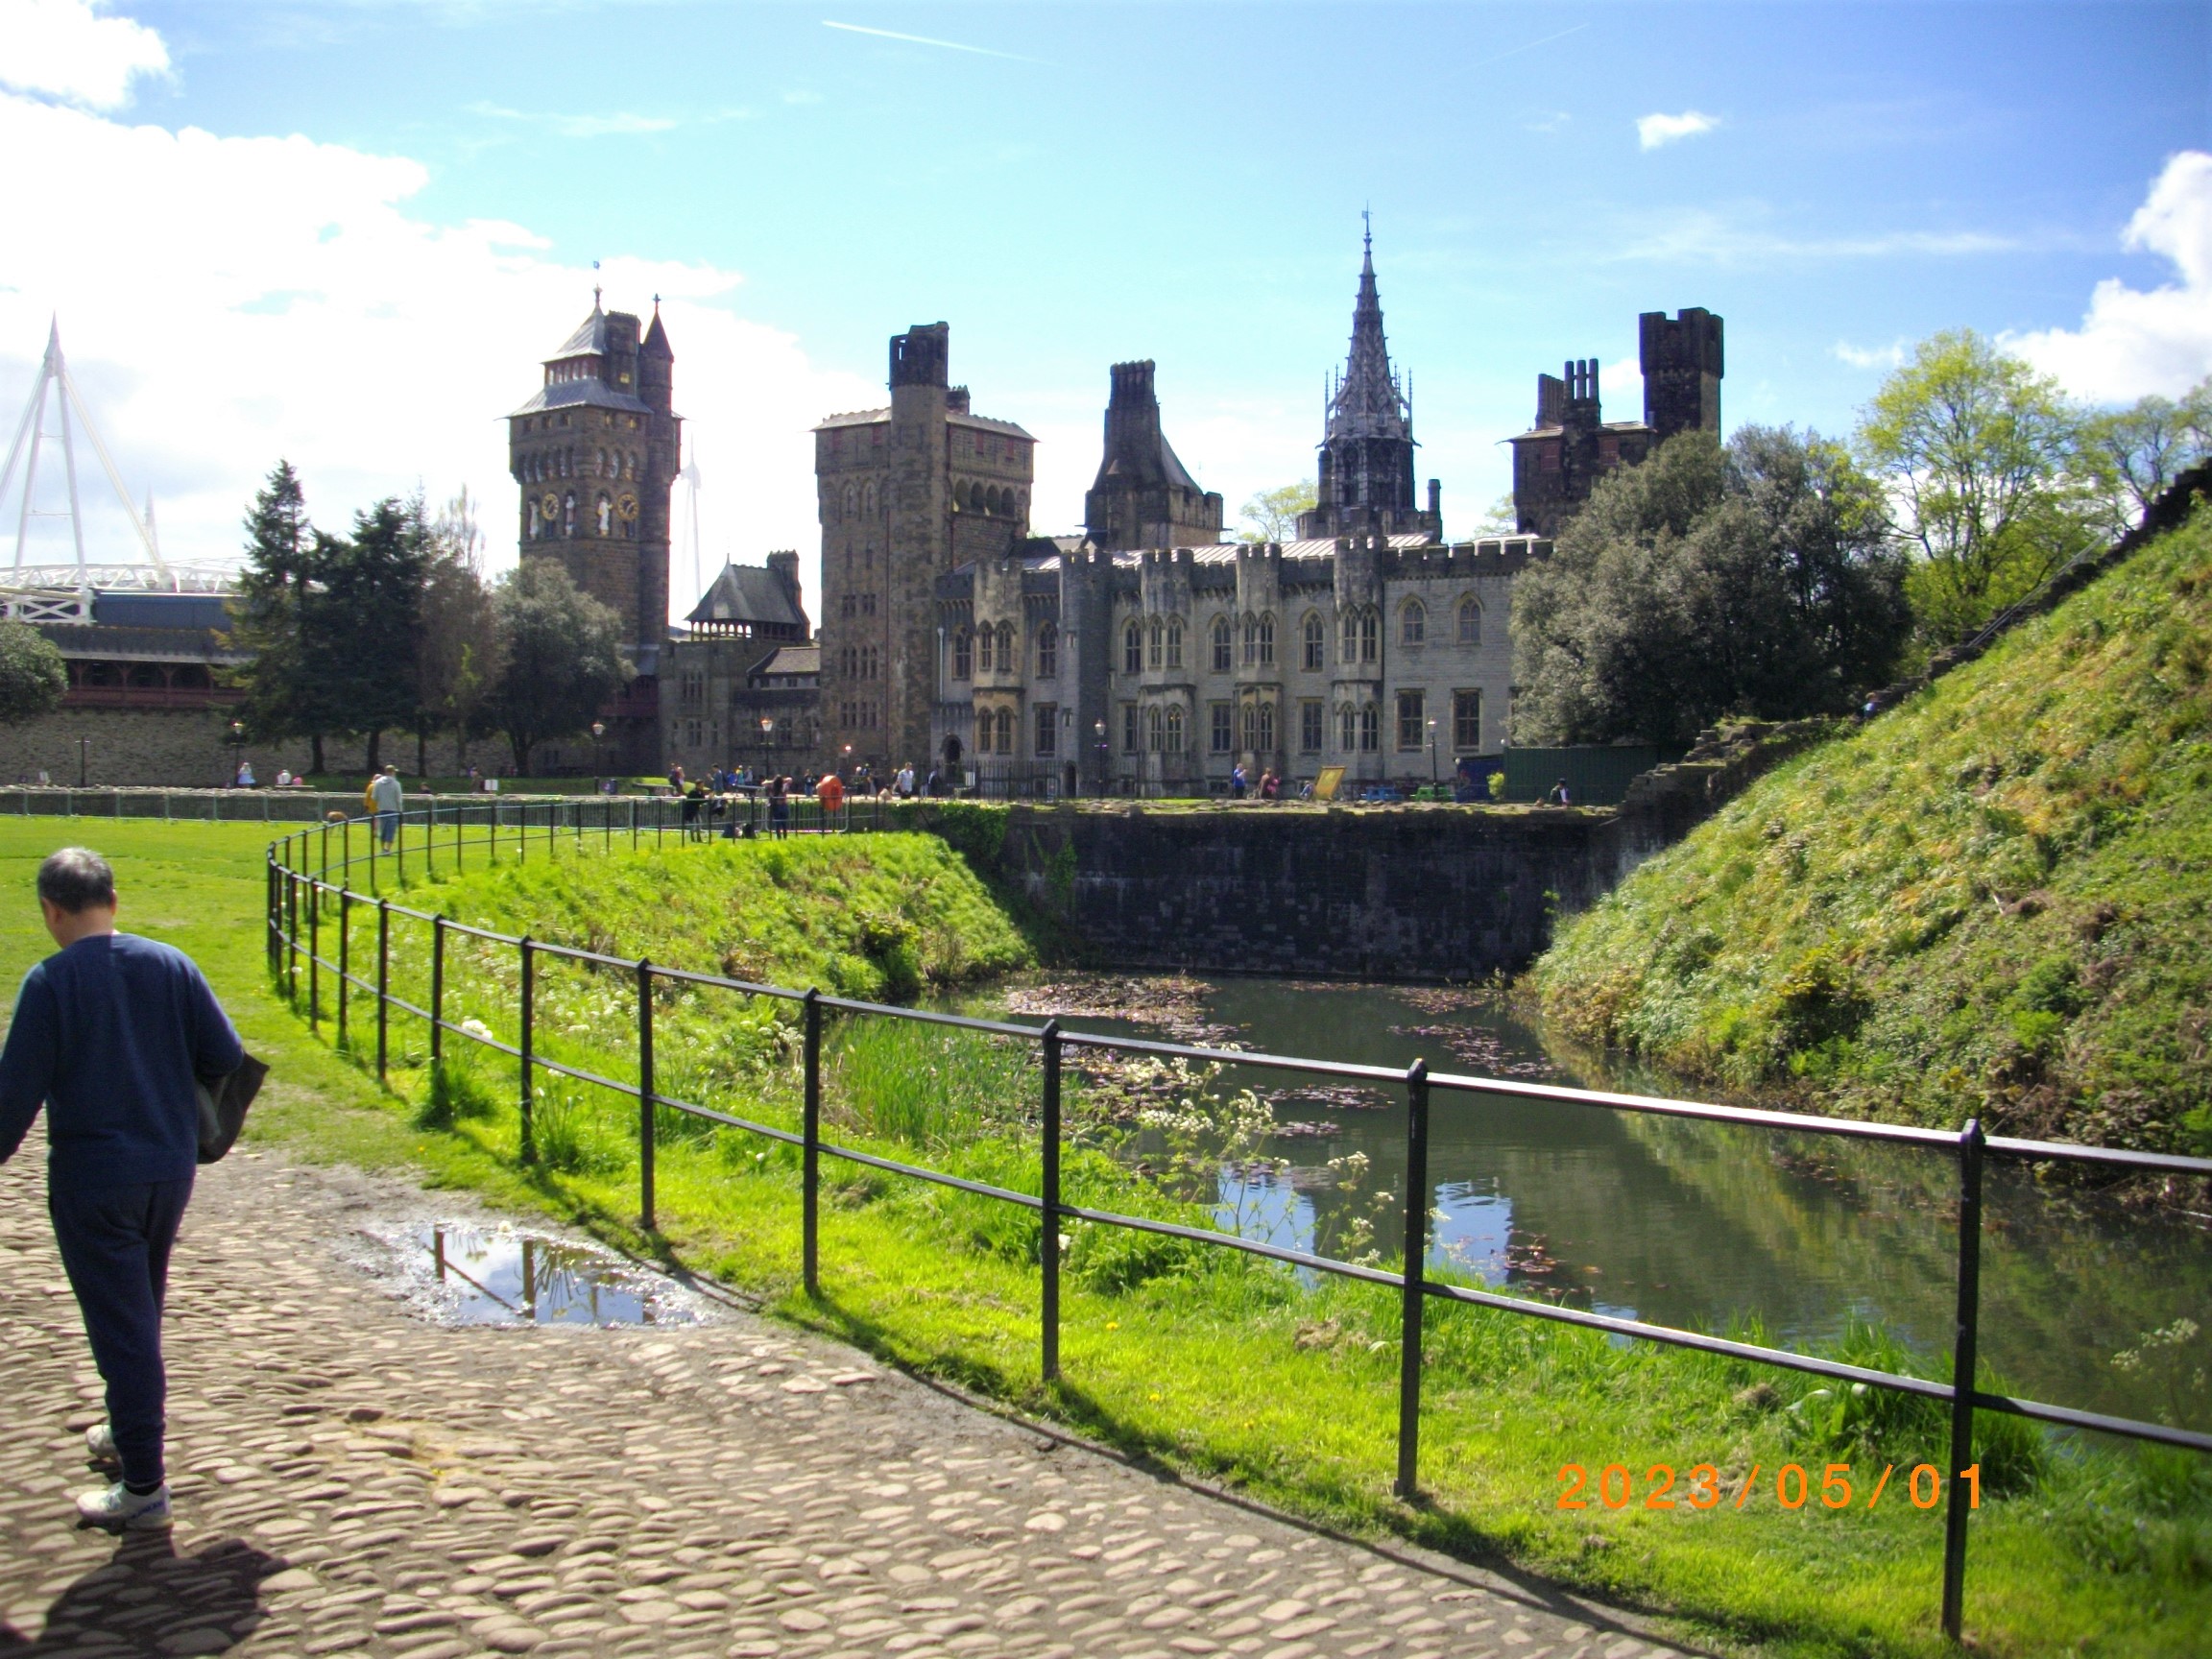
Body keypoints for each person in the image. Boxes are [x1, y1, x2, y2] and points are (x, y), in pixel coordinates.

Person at [0, 848, 244, 1531]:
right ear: (115, 899)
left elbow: (12, 1099)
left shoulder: (49, 984)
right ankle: (124, 1425)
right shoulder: (171, 964)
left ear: (51, 909)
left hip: (94, 1179)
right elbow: (224, 1055)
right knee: (139, 1312)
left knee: (122, 1330)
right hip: (169, 1170)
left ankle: (144, 1487)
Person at [369, 764, 404, 848]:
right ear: (392, 772)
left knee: (383, 829)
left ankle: (382, 847)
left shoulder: (377, 783)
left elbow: (374, 797)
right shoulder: (396, 784)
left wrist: (381, 801)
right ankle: (387, 849)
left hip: (382, 809)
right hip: (393, 810)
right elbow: (398, 799)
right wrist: (400, 810)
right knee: (391, 830)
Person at [768, 775, 791, 839]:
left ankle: (779, 837)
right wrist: (784, 780)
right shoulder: (784, 786)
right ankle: (785, 837)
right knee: (784, 823)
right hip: (784, 805)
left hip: (777, 806)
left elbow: (764, 783)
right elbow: (790, 780)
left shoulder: (773, 788)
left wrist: (773, 781)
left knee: (778, 823)